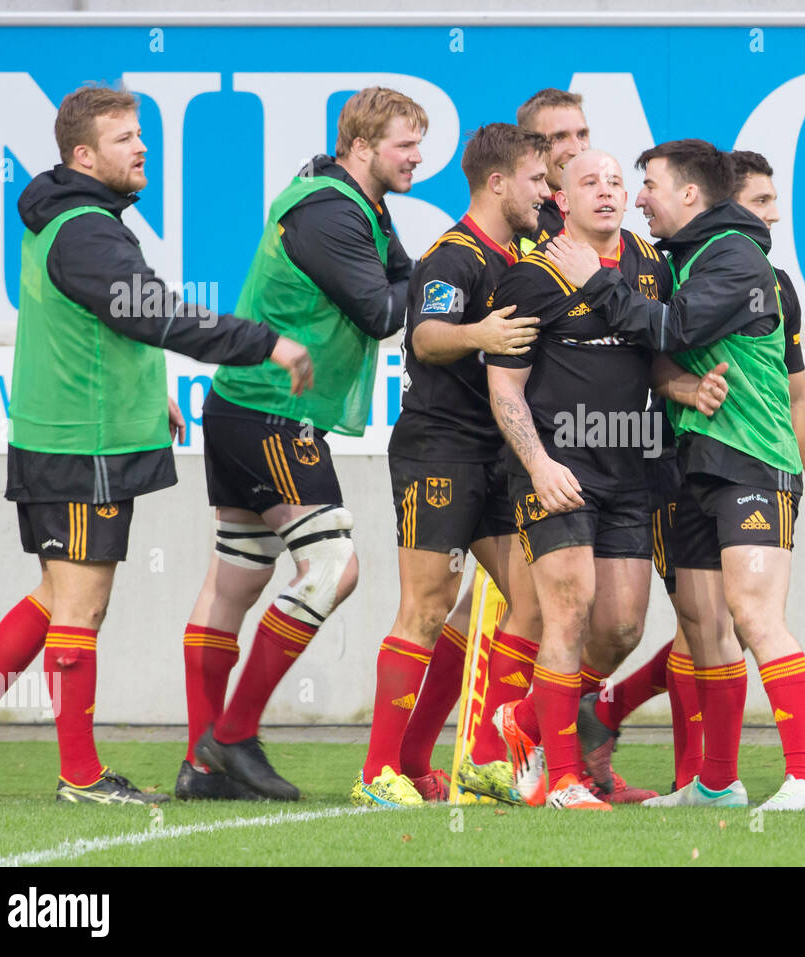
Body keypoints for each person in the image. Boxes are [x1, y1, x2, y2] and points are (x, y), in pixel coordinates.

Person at [0, 84, 312, 805]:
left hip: (69, 434)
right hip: (82, 448)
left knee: (55, 598)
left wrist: (152, 401)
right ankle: (80, 776)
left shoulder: (76, 219)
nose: (141, 146)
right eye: (125, 138)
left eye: (141, 134)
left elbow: (105, 328)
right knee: (81, 607)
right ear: (84, 154)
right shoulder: (87, 228)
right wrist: (264, 341)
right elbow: (156, 315)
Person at [543, 139, 805, 811]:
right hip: (696, 464)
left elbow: (669, 329)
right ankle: (716, 783)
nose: (639, 196)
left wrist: (594, 277)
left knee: (756, 614)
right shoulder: (690, 255)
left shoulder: (732, 255)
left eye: (648, 184)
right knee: (705, 625)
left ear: (691, 196)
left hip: (752, 458)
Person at [180, 87, 421, 802]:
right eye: (406, 144)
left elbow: (401, 276)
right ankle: (229, 738)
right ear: (363, 144)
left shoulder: (359, 204)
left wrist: (416, 283)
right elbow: (384, 308)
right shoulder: (329, 209)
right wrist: (438, 294)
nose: (418, 158)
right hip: (268, 411)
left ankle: (201, 767)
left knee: (237, 582)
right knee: (335, 566)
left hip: (244, 406)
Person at [487, 149, 728, 810]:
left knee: (620, 625)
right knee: (567, 607)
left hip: (629, 468)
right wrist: (538, 462)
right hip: (556, 468)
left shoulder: (651, 265)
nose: (606, 191)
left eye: (617, 181)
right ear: (561, 200)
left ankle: (526, 719)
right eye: (588, 182)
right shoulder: (530, 277)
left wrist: (688, 386)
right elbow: (503, 386)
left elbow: (653, 359)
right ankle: (562, 778)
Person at [352, 123, 550, 808]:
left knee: (532, 601)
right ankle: (379, 770)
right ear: (498, 183)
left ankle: (481, 758)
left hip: (496, 457)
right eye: (536, 179)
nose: (545, 192)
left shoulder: (520, 253)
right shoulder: (454, 255)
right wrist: (483, 335)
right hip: (439, 450)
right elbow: (429, 336)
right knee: (427, 605)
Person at [516, 88, 591, 249]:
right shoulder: (515, 223)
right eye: (559, 137)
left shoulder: (604, 212)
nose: (577, 150)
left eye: (582, 134)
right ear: (527, 147)